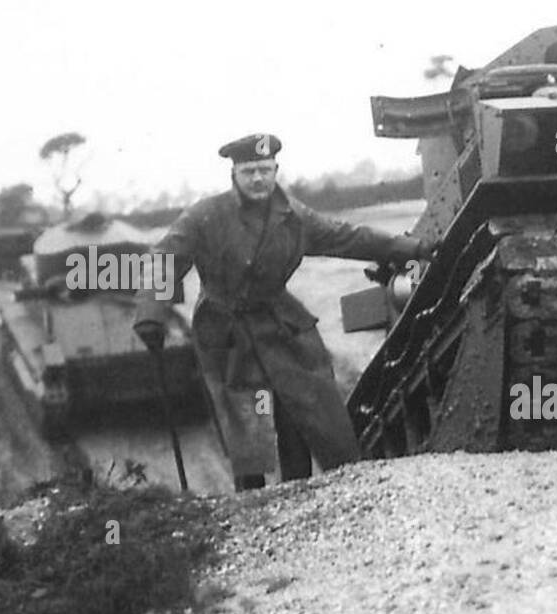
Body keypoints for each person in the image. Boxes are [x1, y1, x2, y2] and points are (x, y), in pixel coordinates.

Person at [133, 133, 431, 491]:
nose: (258, 179)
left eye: (264, 170)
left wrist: (412, 248)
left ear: (276, 170)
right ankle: (251, 496)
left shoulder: (294, 216)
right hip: (226, 329)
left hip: (280, 321)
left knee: (309, 404)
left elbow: (349, 237)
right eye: (249, 172)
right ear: (234, 175)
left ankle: (307, 487)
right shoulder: (206, 215)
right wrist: (152, 313)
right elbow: (164, 261)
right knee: (247, 426)